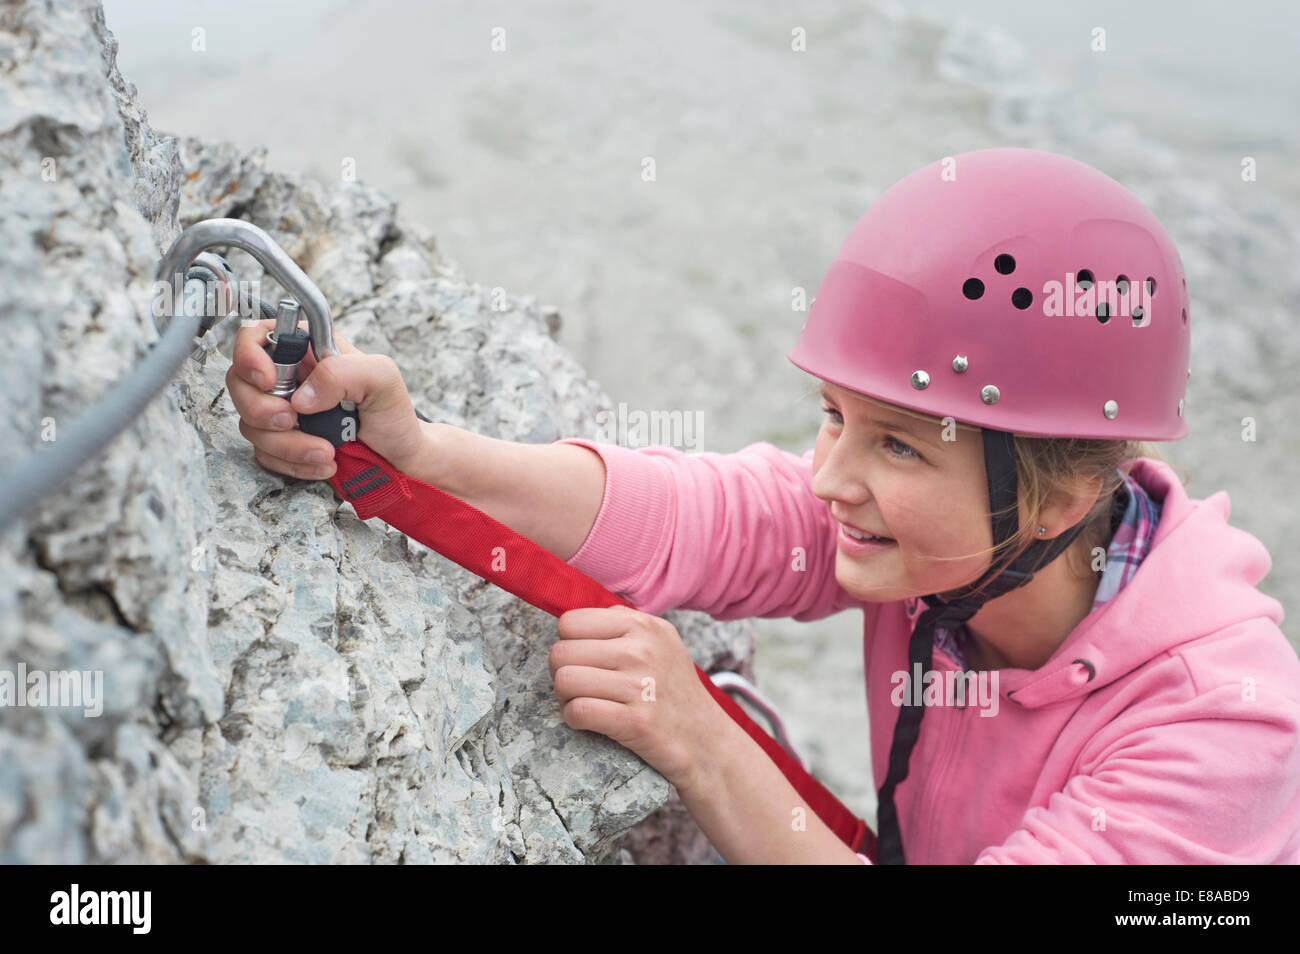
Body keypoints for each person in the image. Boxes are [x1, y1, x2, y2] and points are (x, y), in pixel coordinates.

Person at [226, 147, 1300, 864]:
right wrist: (420, 451)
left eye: (895, 445)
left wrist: (702, 741)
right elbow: (707, 519)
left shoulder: (1219, 730)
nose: (829, 479)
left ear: (1063, 488)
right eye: (831, 416)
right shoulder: (956, 546)